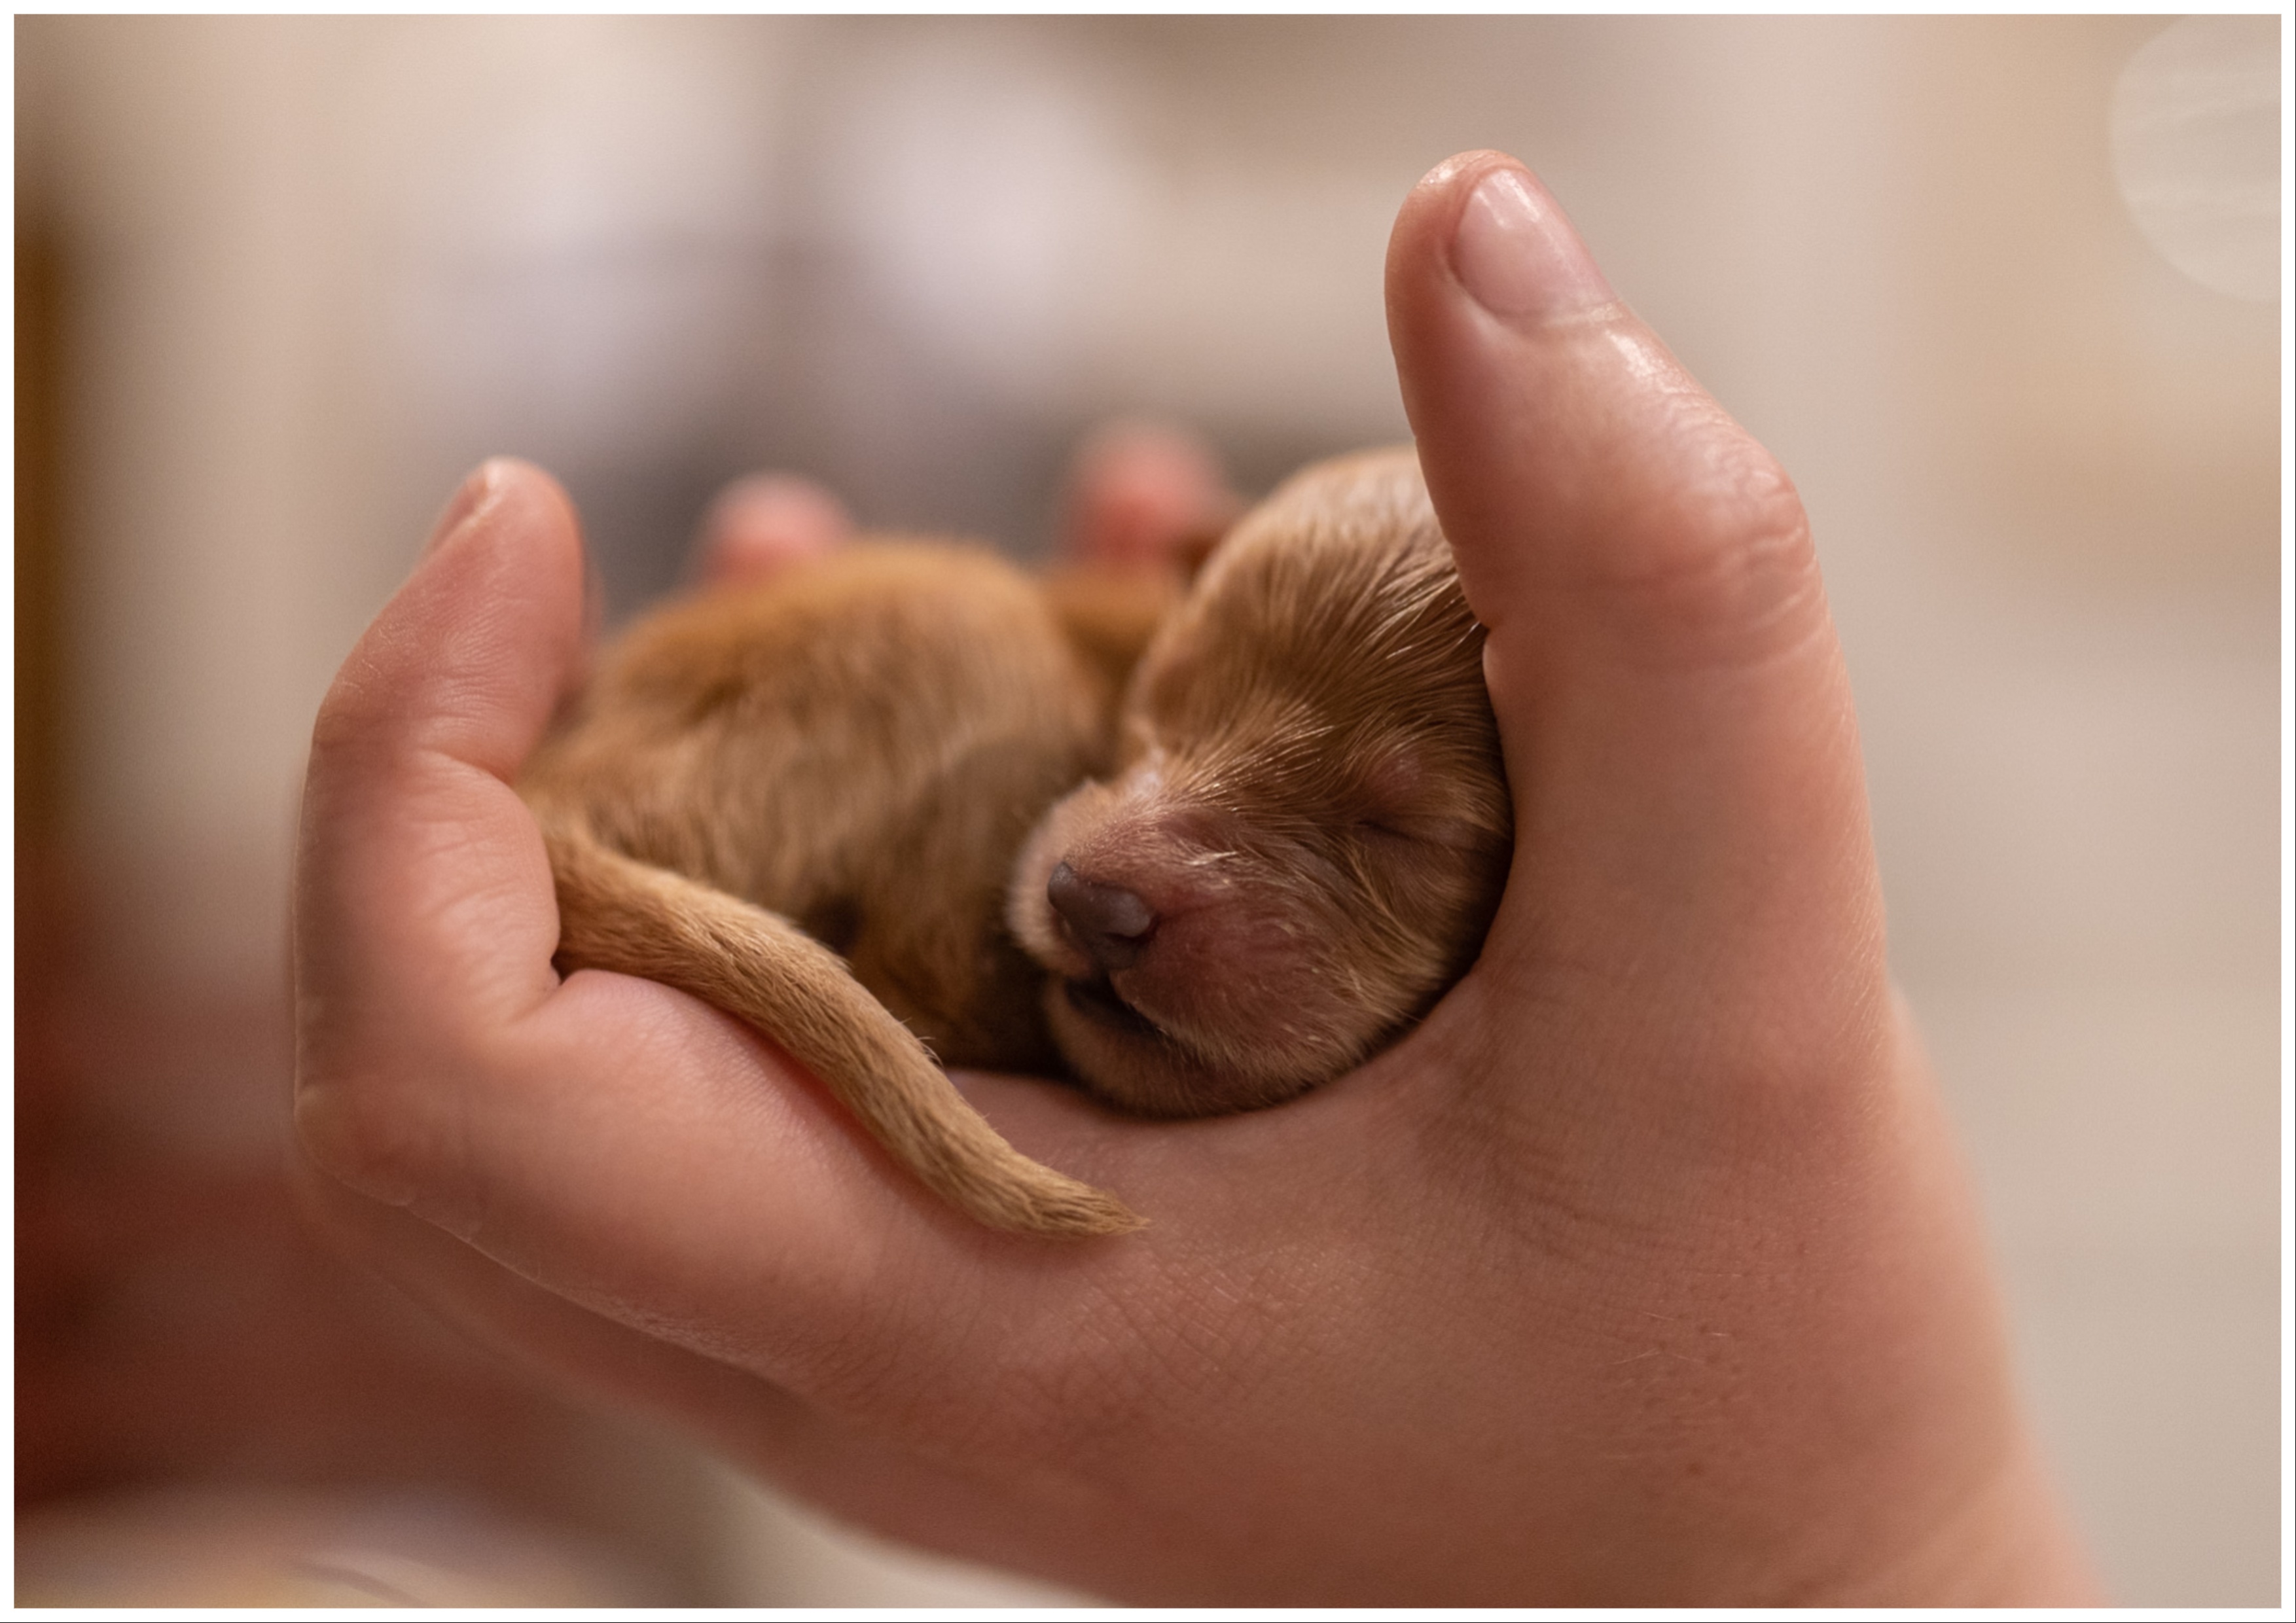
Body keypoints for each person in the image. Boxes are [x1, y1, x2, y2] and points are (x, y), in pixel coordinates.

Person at [291, 151, 2102, 1603]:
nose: (1118, 857)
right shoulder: (1018, 686)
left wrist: (1836, 1561)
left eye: (1383, 834)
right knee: (951, 638)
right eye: (1163, 715)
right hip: (738, 805)